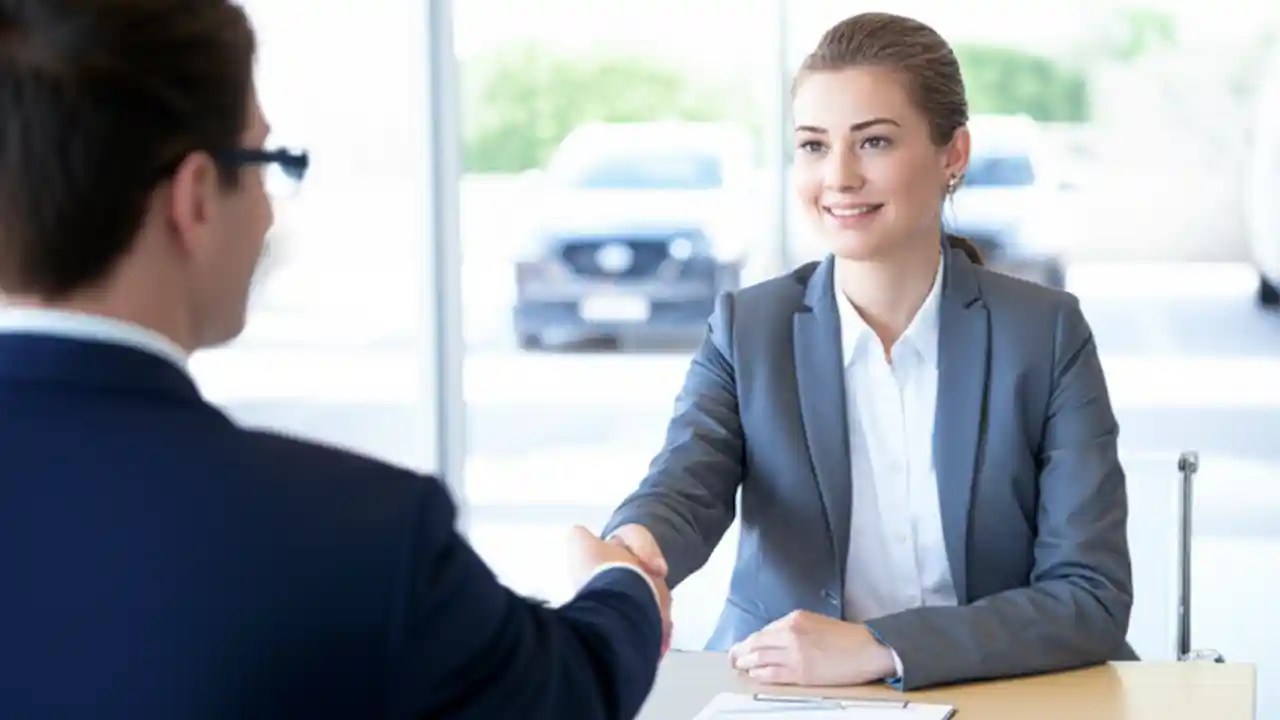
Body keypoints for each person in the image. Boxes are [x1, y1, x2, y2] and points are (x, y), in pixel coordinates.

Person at [0, 1, 669, 717]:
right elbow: (569, 691)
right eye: (265, 163)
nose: (266, 212)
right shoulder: (361, 540)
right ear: (195, 197)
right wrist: (622, 588)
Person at [603, 11, 1133, 691]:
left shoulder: (1044, 334)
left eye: (874, 142)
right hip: (782, 693)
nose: (840, 176)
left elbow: (1089, 595)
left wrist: (882, 647)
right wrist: (636, 551)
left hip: (994, 690)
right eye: (814, 146)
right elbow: (685, 484)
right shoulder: (748, 327)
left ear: (954, 154)